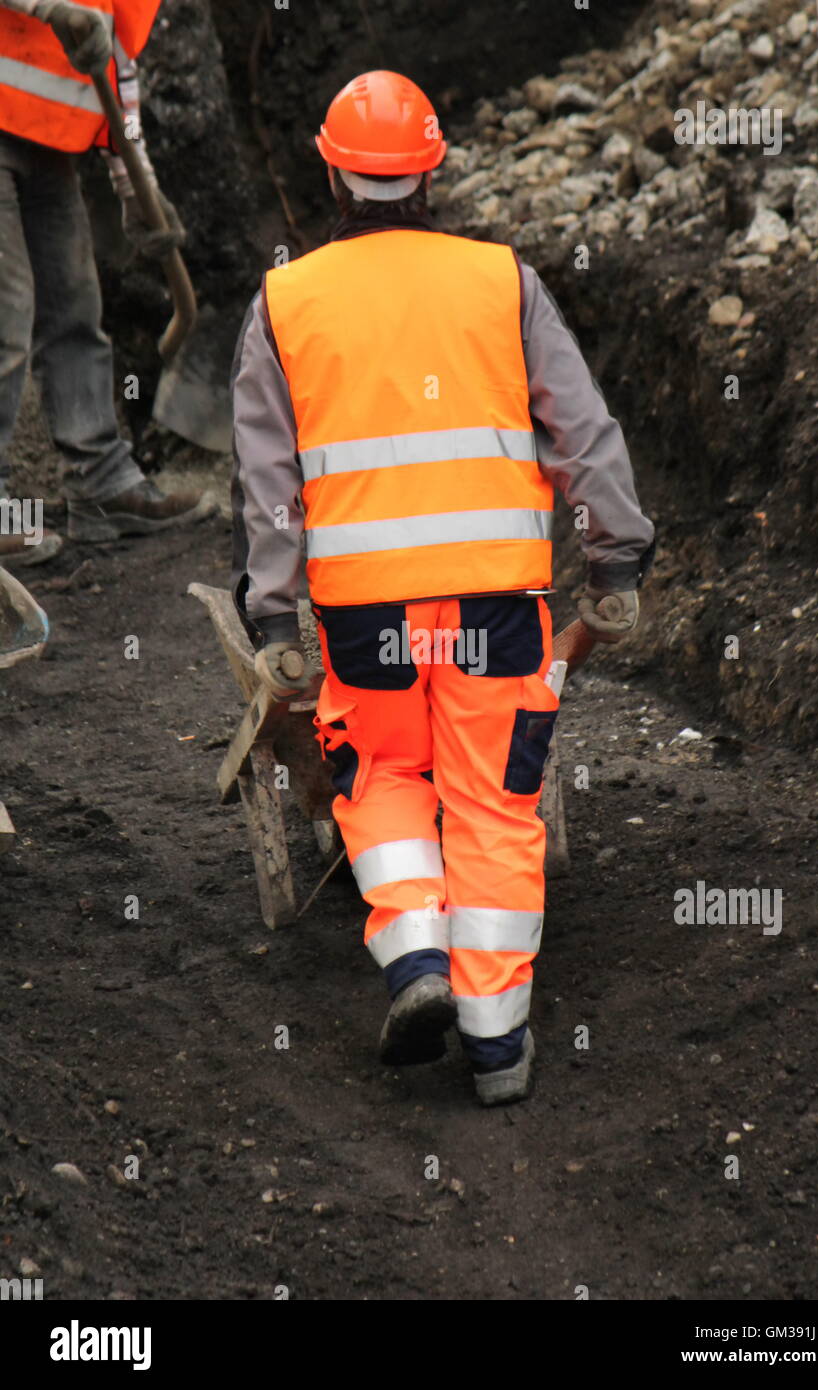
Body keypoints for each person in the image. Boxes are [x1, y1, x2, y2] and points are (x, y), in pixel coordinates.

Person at [231, 71, 655, 1105]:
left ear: (332, 172)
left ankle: (416, 961)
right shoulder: (499, 282)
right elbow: (583, 434)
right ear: (432, 170)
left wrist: (274, 613)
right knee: (495, 804)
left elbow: (267, 482)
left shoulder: (286, 299)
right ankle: (497, 1045)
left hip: (364, 617)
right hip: (493, 614)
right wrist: (613, 557)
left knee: (375, 779)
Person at [0, 0, 213, 570]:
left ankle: (99, 483)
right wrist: (46, 8)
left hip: (46, 143)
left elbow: (117, 67)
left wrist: (133, 184)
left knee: (73, 307)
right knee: (6, 316)